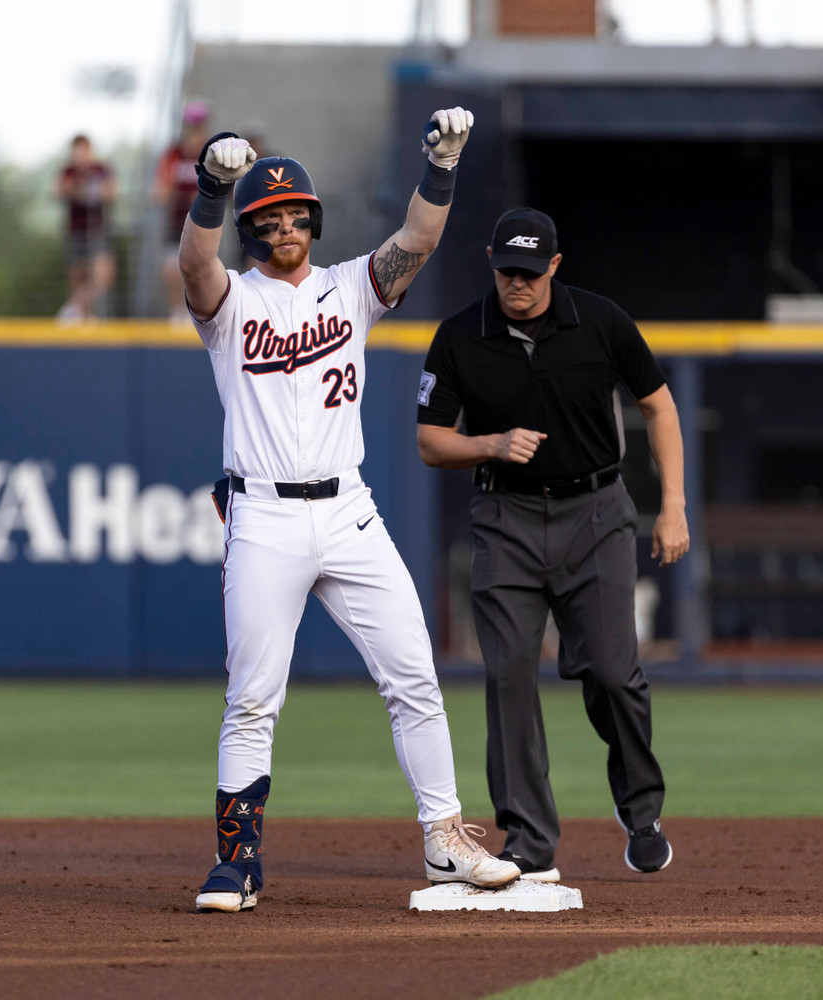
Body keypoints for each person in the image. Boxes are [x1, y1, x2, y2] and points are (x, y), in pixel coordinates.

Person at [180, 109, 521, 913]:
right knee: (253, 695)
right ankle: (237, 862)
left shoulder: (349, 289)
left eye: (297, 213)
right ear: (254, 229)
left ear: (312, 222)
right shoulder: (230, 304)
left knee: (415, 676)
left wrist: (440, 166)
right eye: (270, 218)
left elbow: (421, 239)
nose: (287, 225)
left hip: (349, 511)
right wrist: (211, 190)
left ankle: (444, 838)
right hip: (263, 514)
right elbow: (194, 264)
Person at [415, 208, 689, 883]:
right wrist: (490, 444)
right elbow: (429, 440)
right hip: (505, 518)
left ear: (555, 268)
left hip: (595, 513)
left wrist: (674, 506)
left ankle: (640, 809)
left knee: (612, 672)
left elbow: (658, 404)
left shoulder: (600, 322)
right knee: (508, 674)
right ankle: (529, 839)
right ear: (490, 262)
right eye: (508, 269)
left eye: (532, 272)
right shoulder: (458, 337)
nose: (519, 283)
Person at [154, 100, 211, 323]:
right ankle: (178, 310)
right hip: (177, 223)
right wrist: (174, 193)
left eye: (199, 125)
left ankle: (199, 311)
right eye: (192, 126)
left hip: (204, 225)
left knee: (202, 268)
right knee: (171, 268)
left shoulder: (210, 154)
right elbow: (158, 191)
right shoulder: (174, 154)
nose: (195, 131)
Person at [56, 134, 117, 322]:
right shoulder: (68, 171)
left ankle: (73, 308)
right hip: (76, 229)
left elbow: (110, 193)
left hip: (98, 229)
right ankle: (84, 314)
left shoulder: (101, 169)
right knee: (78, 275)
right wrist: (79, 189)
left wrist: (86, 192)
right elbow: (60, 191)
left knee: (103, 275)